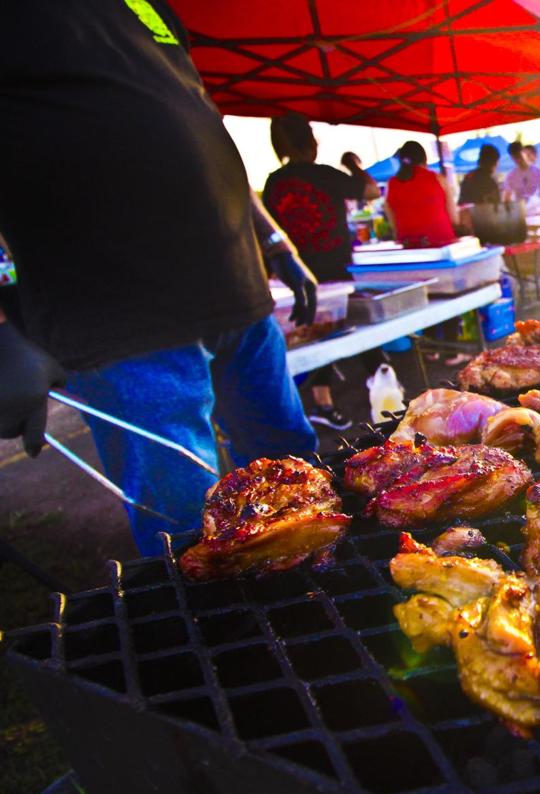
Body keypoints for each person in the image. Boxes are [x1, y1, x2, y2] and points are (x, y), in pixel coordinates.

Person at [0, 0, 318, 556]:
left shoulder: (147, 6)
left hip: (235, 287)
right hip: (119, 312)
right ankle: (225, 638)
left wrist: (271, 237)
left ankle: (317, 609)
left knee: (298, 468)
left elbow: (200, 117)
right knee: (189, 523)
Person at [263, 114, 381, 430]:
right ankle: (381, 383)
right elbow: (372, 191)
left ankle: (327, 402)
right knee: (355, 329)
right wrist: (354, 164)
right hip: (333, 270)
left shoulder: (274, 183)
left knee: (317, 336)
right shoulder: (323, 174)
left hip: (297, 278)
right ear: (310, 142)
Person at [384, 141, 457, 247]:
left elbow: (394, 225)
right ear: (424, 160)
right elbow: (454, 219)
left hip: (409, 248)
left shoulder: (391, 184)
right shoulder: (438, 179)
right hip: (442, 245)